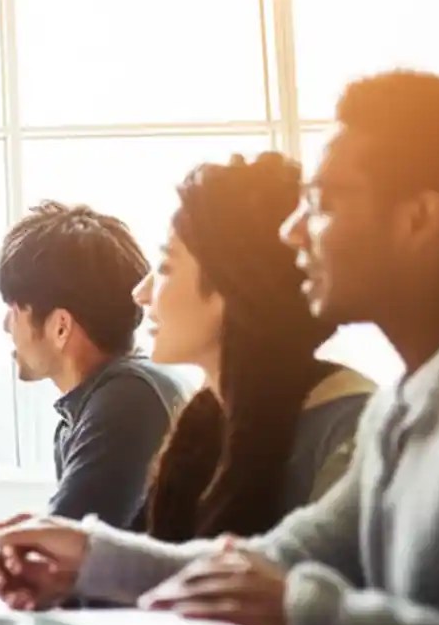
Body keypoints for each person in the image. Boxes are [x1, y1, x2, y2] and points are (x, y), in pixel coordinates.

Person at [0, 71, 439, 625]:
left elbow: (285, 595)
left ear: (419, 220)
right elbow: (271, 561)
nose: (293, 230)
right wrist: (85, 555)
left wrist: (303, 617)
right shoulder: (404, 404)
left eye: (325, 203)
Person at [133, 152, 374, 541]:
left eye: (164, 268)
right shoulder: (203, 423)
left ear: (231, 289)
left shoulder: (350, 425)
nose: (140, 294)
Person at [0, 202, 186, 548]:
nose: (7, 325)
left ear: (60, 326)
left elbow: (63, 553)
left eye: (15, 310)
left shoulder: (126, 401)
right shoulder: (110, 397)